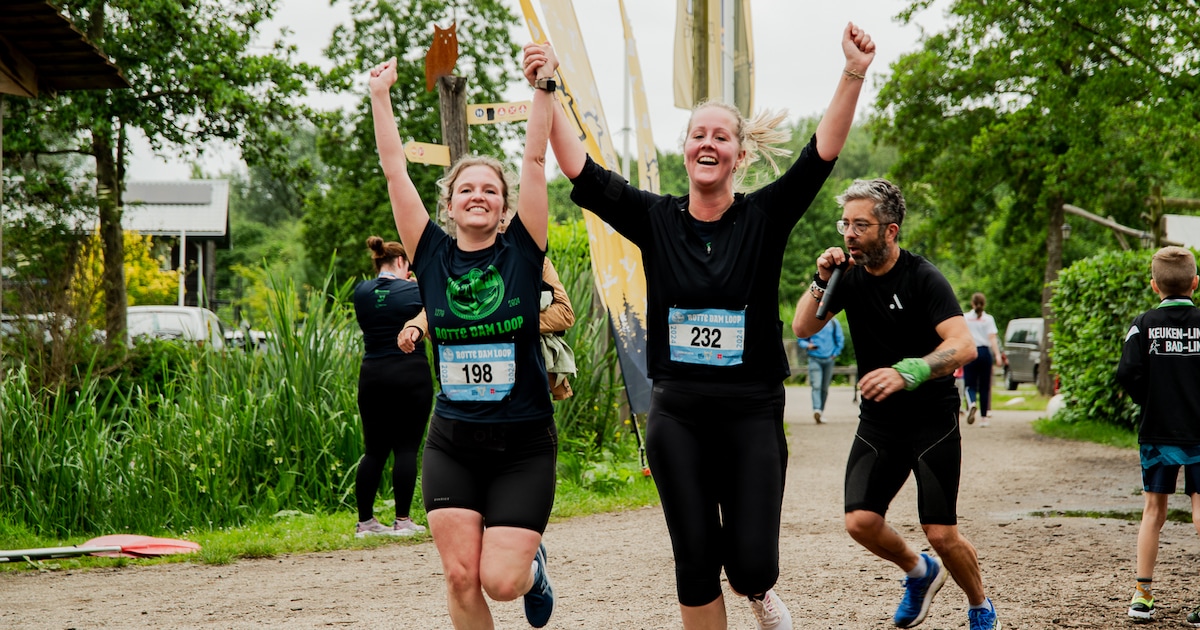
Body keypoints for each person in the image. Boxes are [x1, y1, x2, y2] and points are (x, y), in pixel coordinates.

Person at [533, 22, 875, 630]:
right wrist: (550, 87)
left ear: (740, 155)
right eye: (698, 135)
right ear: (686, 149)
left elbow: (821, 153)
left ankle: (759, 591)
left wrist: (852, 72)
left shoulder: (765, 218)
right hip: (679, 414)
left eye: (722, 136)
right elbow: (579, 171)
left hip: (750, 412)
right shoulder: (655, 219)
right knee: (694, 564)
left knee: (749, 564)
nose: (708, 143)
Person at [369, 42, 559, 628]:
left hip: (524, 445)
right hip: (453, 442)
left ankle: (534, 570)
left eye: (490, 191)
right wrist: (380, 97)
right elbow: (396, 169)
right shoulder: (428, 255)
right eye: (466, 190)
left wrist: (544, 87)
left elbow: (532, 163)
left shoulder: (523, 253)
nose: (479, 196)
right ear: (448, 205)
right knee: (459, 576)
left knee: (500, 582)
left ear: (503, 208)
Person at [791, 178, 999, 630]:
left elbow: (963, 347)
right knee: (860, 522)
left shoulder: (924, 278)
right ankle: (919, 572)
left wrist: (909, 372)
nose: (848, 233)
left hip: (930, 420)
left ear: (890, 230)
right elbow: (803, 327)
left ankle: (980, 605)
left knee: (941, 533)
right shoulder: (845, 277)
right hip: (879, 423)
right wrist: (821, 278)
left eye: (860, 225)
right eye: (845, 223)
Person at [1115, 246, 1200, 626]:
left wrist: (1148, 401)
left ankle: (1142, 596)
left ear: (1154, 286)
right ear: (1195, 284)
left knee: (1153, 511)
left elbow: (1127, 373)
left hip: (1157, 431)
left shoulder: (1143, 324)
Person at [351, 236, 433, 538]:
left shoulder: (360, 292)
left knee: (373, 451)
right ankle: (402, 520)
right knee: (407, 448)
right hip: (410, 374)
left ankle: (365, 523)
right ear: (401, 262)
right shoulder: (415, 289)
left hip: (372, 374)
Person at [961, 292, 1002, 427]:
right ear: (984, 304)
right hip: (985, 353)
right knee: (985, 386)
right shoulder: (988, 319)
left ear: (972, 304)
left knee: (969, 385)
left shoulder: (966, 317)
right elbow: (992, 338)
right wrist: (997, 355)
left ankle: (972, 403)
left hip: (970, 351)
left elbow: (962, 336)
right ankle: (984, 418)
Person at [798, 317, 844, 424]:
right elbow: (801, 339)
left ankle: (820, 412)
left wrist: (835, 354)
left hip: (829, 359)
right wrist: (808, 345)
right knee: (816, 385)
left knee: (824, 388)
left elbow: (840, 339)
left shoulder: (833, 322)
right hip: (814, 359)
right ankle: (816, 409)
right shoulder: (810, 321)